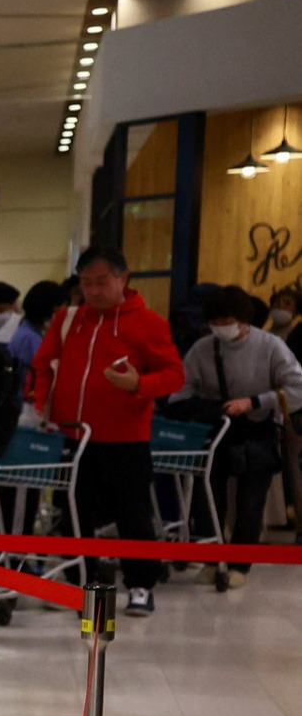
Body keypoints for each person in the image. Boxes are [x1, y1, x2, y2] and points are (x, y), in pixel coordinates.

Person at [27, 245, 185, 615]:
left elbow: (175, 375)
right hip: (72, 437)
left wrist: (137, 385)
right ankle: (82, 584)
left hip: (126, 439)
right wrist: (39, 407)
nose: (94, 290)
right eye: (86, 283)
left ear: (123, 278)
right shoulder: (68, 319)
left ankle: (141, 585)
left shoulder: (147, 323)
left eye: (102, 281)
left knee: (133, 515)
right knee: (74, 511)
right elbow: (42, 366)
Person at [173, 284, 302, 588]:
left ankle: (240, 565)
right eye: (215, 323)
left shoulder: (270, 346)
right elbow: (181, 389)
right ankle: (211, 558)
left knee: (250, 503)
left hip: (256, 432)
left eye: (227, 322)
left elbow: (298, 387)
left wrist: (255, 401)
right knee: (209, 498)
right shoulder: (202, 348)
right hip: (216, 433)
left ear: (244, 319)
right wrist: (205, 407)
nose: (221, 329)